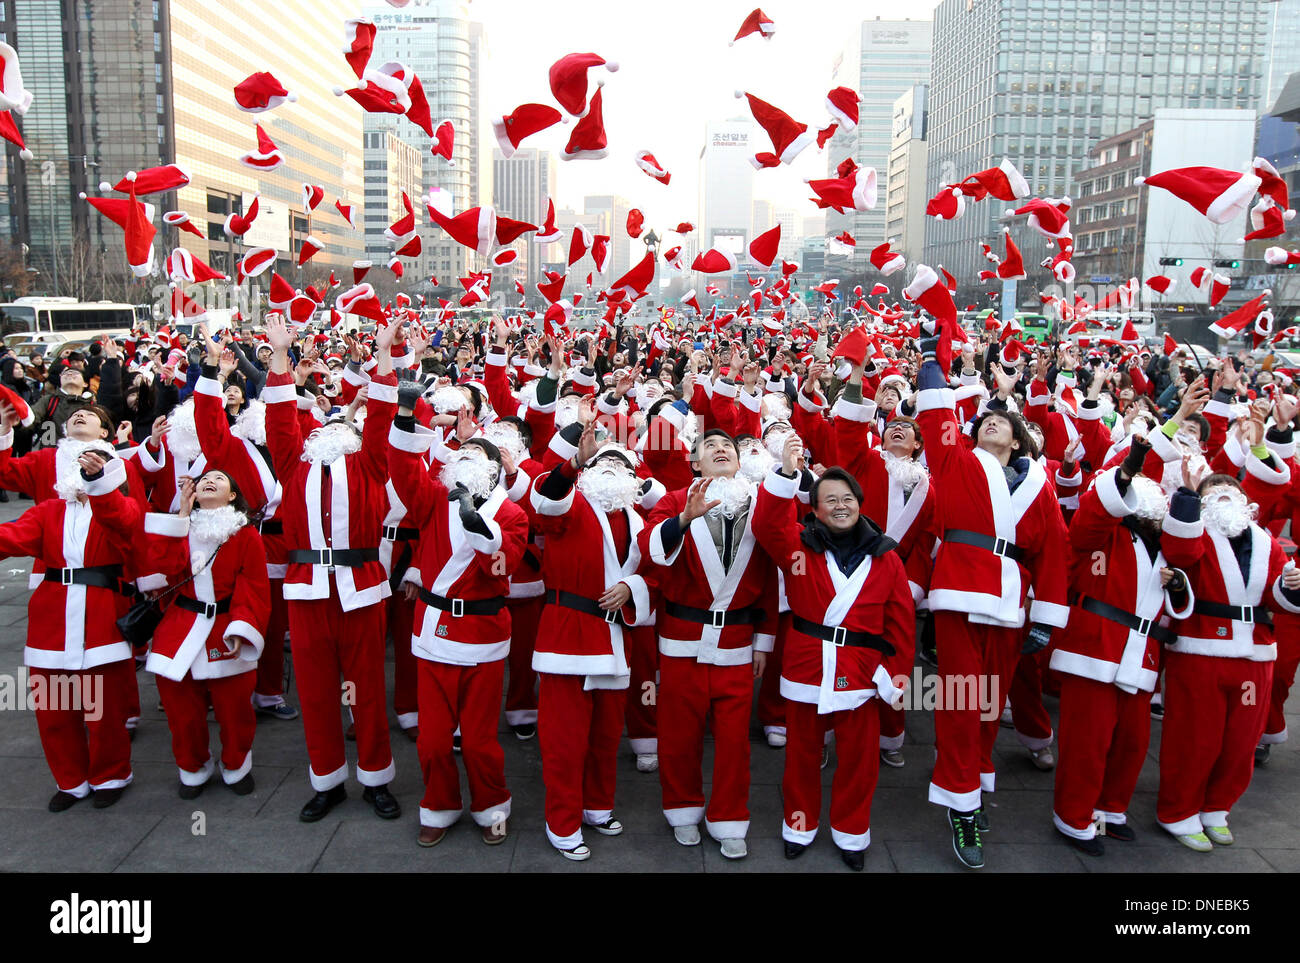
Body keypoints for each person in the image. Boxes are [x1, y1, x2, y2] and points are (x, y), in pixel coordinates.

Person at [913, 329, 1070, 869]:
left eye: (1001, 419)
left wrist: (1045, 618)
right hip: (958, 591)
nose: (990, 422)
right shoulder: (956, 462)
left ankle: (973, 783)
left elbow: (1054, 553)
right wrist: (933, 353)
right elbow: (936, 421)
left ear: (1021, 438)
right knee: (957, 700)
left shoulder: (1040, 487)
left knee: (987, 704)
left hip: (1012, 602)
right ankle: (961, 803)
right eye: (983, 420)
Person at [752, 438, 915, 871]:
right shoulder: (799, 546)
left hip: (862, 673)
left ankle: (851, 833)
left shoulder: (886, 559)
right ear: (816, 508)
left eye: (847, 499)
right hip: (807, 667)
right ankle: (798, 827)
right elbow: (766, 524)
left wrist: (894, 675)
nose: (840, 506)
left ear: (860, 505)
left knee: (859, 764)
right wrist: (786, 473)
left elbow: (901, 626)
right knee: (801, 756)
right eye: (829, 500)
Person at [263, 313, 401, 823]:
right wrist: (280, 353)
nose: (331, 428)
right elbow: (279, 419)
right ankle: (327, 781)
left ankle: (377, 778)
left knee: (365, 690)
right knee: (318, 693)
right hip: (306, 590)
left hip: (361, 588)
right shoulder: (293, 463)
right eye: (323, 424)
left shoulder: (369, 462)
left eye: (343, 423)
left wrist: (384, 354)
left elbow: (384, 415)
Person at [388, 393, 528, 848]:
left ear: (493, 469)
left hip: (483, 637)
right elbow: (404, 471)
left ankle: (492, 804)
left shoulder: (511, 514)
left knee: (480, 740)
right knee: (431, 741)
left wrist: (478, 525)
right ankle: (440, 805)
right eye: (461, 453)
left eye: (476, 455)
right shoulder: (432, 498)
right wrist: (409, 414)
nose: (465, 459)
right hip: (433, 633)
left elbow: (503, 567)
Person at [1050, 437, 1190, 856]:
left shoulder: (1165, 546)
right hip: (1094, 648)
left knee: (1132, 743)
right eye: (1136, 483)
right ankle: (1074, 816)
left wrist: (1179, 585)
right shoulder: (1103, 531)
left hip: (1142, 653)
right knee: (1087, 744)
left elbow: (1181, 594)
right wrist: (1125, 472)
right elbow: (1092, 516)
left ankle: (1111, 810)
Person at [642, 428, 777, 860]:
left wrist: (764, 640)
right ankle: (682, 809)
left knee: (735, 741)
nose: (721, 450)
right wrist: (682, 520)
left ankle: (729, 815)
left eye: (729, 448)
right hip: (681, 638)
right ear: (695, 463)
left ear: (740, 461)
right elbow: (650, 552)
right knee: (679, 735)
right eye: (710, 447)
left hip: (738, 641)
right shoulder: (673, 500)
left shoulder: (760, 504)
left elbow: (772, 578)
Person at [1158, 452, 1300, 851]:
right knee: (1194, 739)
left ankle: (1217, 807)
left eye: (1230, 488)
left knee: (1240, 743)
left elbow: (1276, 596)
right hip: (1200, 650)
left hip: (1255, 654)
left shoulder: (1266, 542)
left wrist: (1291, 585)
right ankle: (1177, 811)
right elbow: (1181, 552)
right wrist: (1186, 494)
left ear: (1245, 501)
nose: (1223, 492)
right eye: (1213, 488)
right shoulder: (1195, 532)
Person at [530, 422, 656, 860]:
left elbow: (657, 570)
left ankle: (597, 807)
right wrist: (574, 463)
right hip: (568, 637)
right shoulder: (572, 503)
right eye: (603, 462)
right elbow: (544, 504)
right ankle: (561, 821)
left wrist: (633, 588)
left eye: (620, 463)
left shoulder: (641, 520)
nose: (611, 468)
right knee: (564, 742)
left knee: (605, 736)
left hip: (617, 639)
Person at [0, 445, 141, 809]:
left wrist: (101, 485)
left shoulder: (121, 509)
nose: (85, 472)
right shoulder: (48, 510)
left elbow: (123, 523)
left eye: (96, 467)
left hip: (100, 620)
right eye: (82, 467)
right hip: (51, 620)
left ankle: (111, 775)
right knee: (54, 712)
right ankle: (71, 780)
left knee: (105, 711)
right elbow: (12, 538)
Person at [139, 471, 269, 797]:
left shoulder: (246, 534)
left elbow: (253, 586)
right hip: (180, 628)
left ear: (232, 496)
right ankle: (192, 768)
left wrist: (242, 627)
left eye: (220, 479)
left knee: (235, 711)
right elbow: (164, 569)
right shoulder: (179, 528)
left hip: (225, 629)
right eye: (204, 478)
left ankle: (236, 765)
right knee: (181, 713)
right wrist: (182, 514)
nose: (209, 480)